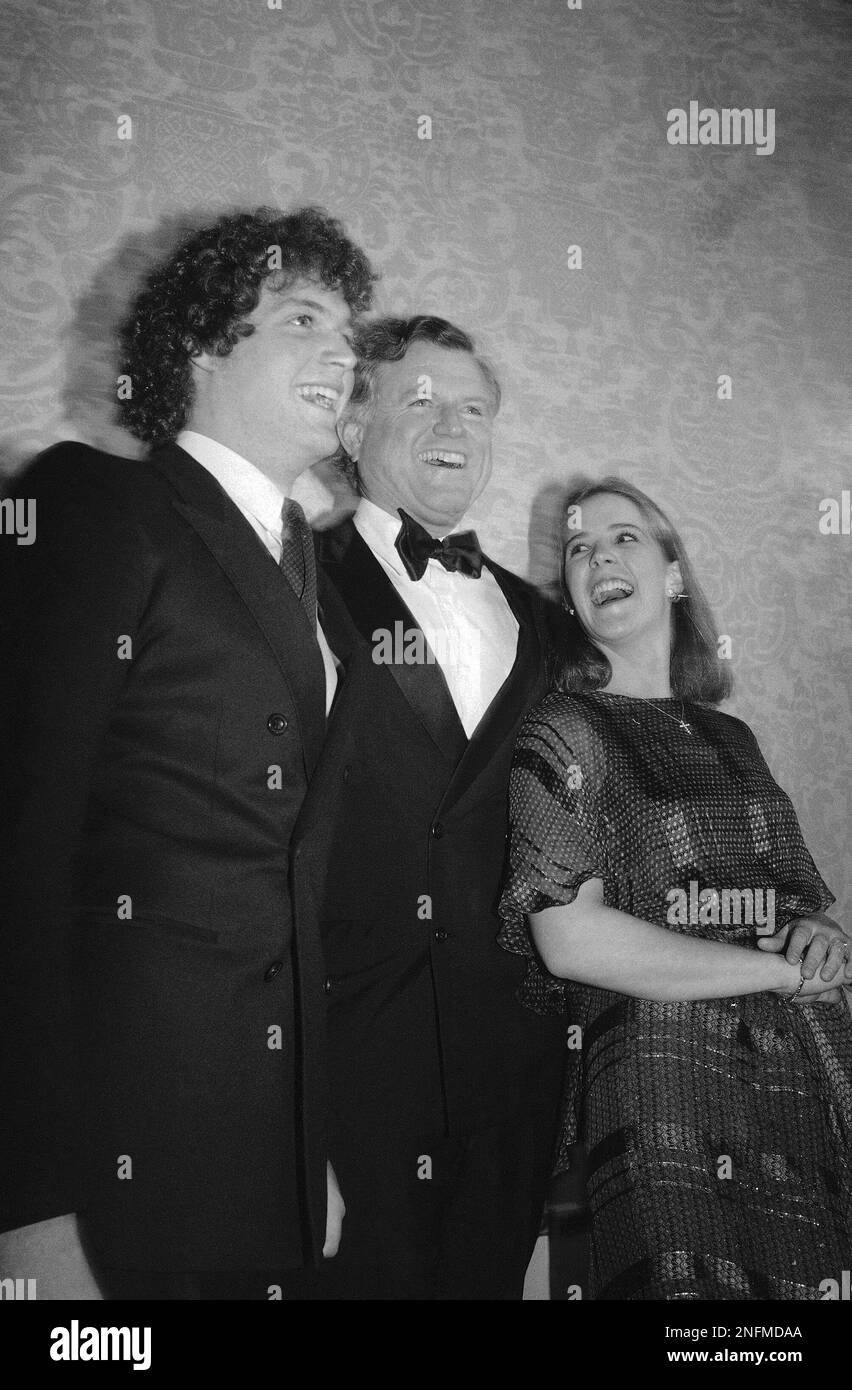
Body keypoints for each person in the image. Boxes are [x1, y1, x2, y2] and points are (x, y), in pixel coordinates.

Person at [0, 206, 376, 1299]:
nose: (343, 352)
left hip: (271, 1157)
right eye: (302, 317)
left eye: (349, 331)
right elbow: (19, 852)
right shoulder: (93, 502)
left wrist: (312, 1155)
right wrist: (26, 1198)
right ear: (204, 345)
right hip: (118, 1144)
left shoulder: (325, 587)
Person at [498, 476, 852, 1301]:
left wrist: (815, 938)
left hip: (795, 1061)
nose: (597, 556)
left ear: (673, 574)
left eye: (624, 537)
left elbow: (791, 902)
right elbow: (569, 939)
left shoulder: (732, 735)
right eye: (578, 548)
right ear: (574, 602)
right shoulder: (561, 728)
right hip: (663, 1075)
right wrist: (773, 970)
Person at [303, 315, 569, 1300]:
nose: (452, 422)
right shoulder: (287, 573)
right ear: (353, 423)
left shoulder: (544, 619)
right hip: (350, 1063)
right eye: (419, 397)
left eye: (474, 405)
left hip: (517, 1063)